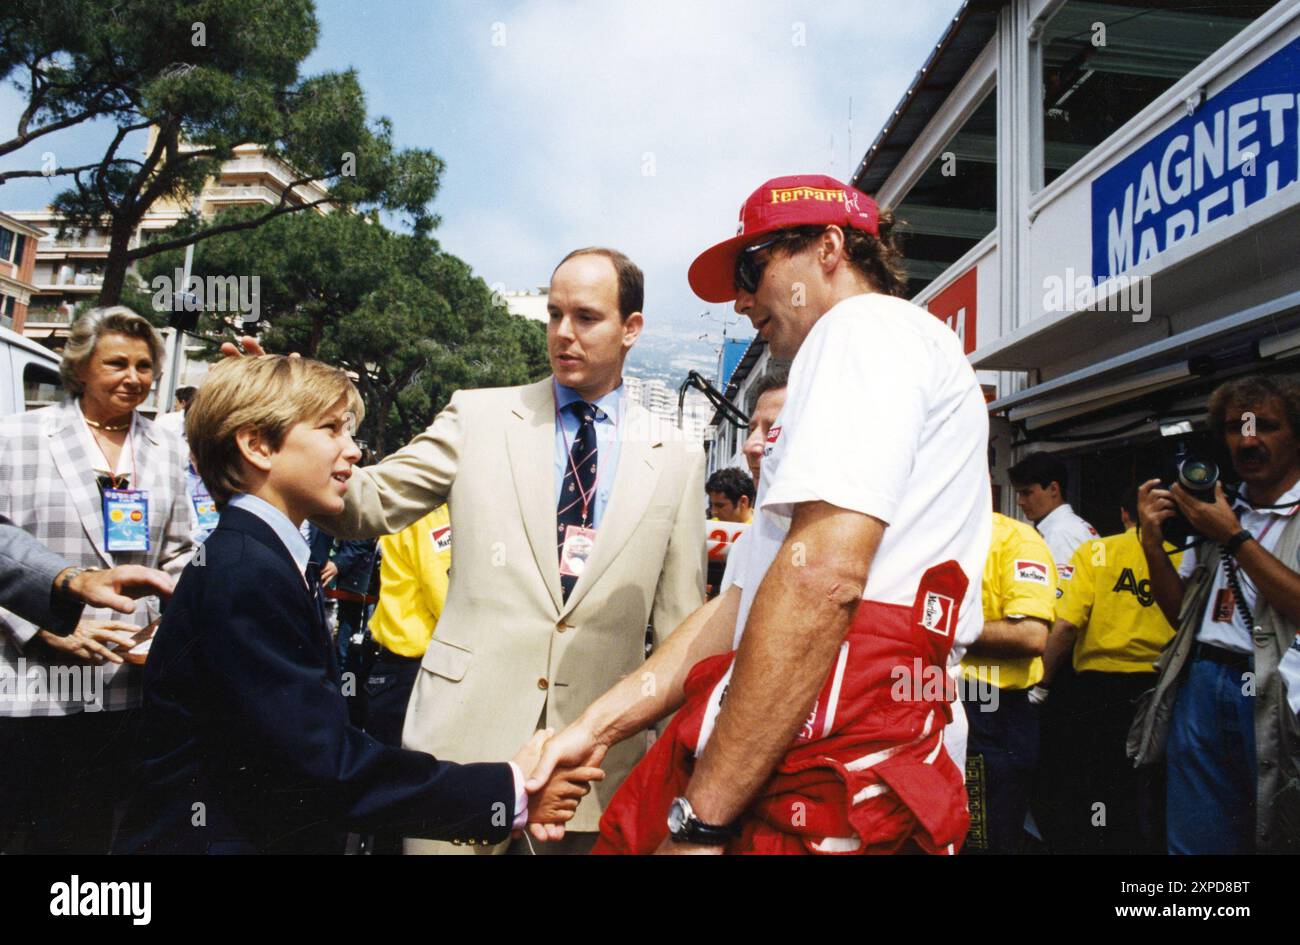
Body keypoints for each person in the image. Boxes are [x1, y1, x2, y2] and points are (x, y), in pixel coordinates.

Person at [530, 174, 991, 854]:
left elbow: (824, 579)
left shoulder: (864, 329)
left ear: (830, 248)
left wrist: (701, 819)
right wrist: (595, 727)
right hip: (819, 757)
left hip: (833, 765)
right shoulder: (872, 354)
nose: (743, 300)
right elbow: (735, 612)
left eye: (753, 268)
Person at [114, 355, 602, 854]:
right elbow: (324, 768)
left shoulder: (253, 557)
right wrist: (510, 790)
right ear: (257, 444)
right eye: (331, 429)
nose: (353, 450)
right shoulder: (249, 574)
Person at [306, 246, 705, 854]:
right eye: (553, 315)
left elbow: (681, 625)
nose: (563, 334)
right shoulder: (480, 415)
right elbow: (367, 505)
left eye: (586, 317)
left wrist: (678, 763)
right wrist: (281, 425)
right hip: (461, 754)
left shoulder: (677, 454)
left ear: (632, 329)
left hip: (596, 770)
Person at [0, 306, 194, 853]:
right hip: (28, 681)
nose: (133, 377)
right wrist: (43, 628)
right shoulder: (15, 436)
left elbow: (180, 551)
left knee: (87, 838)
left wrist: (160, 626)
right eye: (116, 363)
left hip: (122, 685)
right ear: (80, 367)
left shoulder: (169, 449)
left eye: (143, 365)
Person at [1134, 374, 1300, 854]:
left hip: (1276, 690)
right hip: (1204, 680)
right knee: (1198, 837)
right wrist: (1151, 545)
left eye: (1265, 426)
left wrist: (1233, 538)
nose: (1248, 440)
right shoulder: (1215, 508)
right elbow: (1179, 615)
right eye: (1235, 428)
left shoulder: (1222, 521)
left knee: (1279, 826)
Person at [1036, 494, 1180, 854]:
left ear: (1123, 512)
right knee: (1154, 781)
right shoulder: (1181, 555)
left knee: (1101, 784)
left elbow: (1067, 625)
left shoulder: (1097, 553)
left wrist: (1042, 682)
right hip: (1161, 688)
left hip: (1100, 691)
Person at [958, 512, 1056, 854]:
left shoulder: (1014, 540)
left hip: (987, 703)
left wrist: (945, 629)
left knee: (983, 838)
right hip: (924, 693)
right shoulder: (925, 532)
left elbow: (1031, 635)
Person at [0, 514, 174, 631]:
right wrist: (35, 628)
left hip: (135, 666)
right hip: (27, 666)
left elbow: (178, 552)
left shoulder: (171, 458)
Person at [1009, 452, 1099, 575]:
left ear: (1053, 489)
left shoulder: (1060, 534)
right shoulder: (1073, 527)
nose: (1020, 502)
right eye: (1019, 494)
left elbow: (1060, 592)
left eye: (1027, 493)